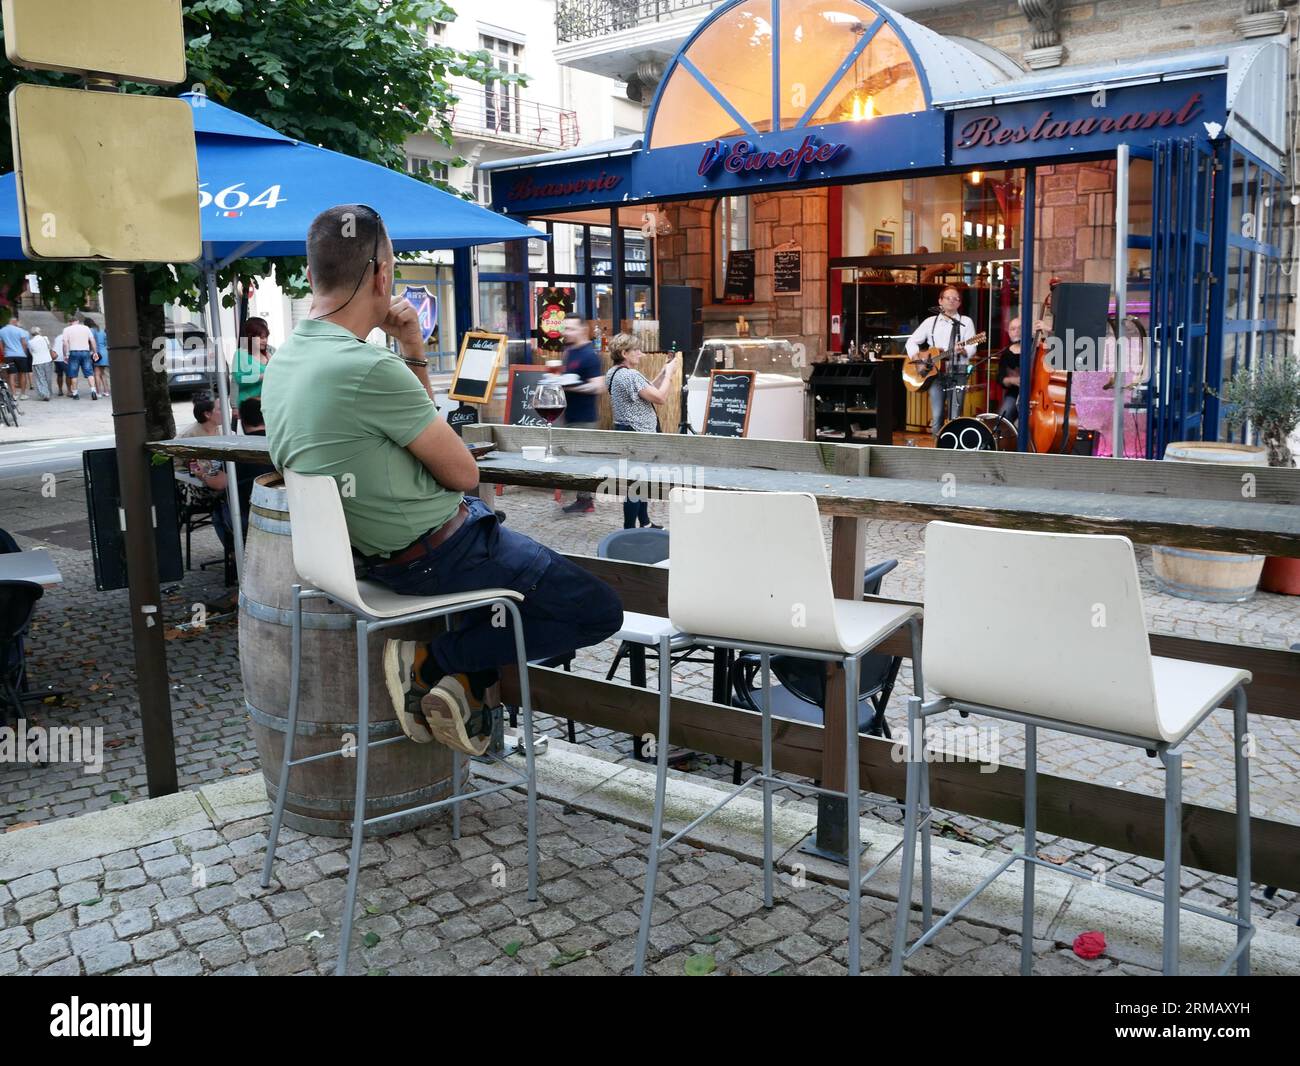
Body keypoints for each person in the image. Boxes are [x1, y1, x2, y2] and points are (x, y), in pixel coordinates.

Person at [262, 204, 621, 753]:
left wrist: (408, 349)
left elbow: (409, 436)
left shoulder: (285, 360)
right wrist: (408, 351)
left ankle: (462, 687)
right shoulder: (367, 368)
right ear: (383, 275)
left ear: (312, 276)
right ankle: (438, 662)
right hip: (438, 559)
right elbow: (461, 470)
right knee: (598, 608)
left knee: (500, 599)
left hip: (362, 563)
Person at [606, 334, 678, 529]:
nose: (641, 354)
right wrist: (670, 374)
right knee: (636, 484)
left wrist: (663, 372)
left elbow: (647, 391)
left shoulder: (613, 373)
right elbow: (660, 397)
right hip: (638, 434)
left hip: (627, 431)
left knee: (640, 480)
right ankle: (629, 529)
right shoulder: (630, 375)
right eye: (636, 350)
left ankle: (644, 522)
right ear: (624, 353)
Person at [905, 285, 977, 437]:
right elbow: (910, 342)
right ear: (940, 301)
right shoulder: (930, 322)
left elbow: (972, 346)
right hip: (935, 374)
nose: (951, 301)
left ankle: (953, 446)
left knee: (955, 414)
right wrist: (918, 360)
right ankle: (937, 449)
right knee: (937, 415)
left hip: (958, 371)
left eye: (955, 299)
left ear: (959, 303)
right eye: (948, 298)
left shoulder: (965, 322)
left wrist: (963, 350)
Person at [558, 314, 603, 515]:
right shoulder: (569, 352)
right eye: (565, 328)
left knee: (582, 460)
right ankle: (582, 499)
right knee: (571, 459)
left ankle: (586, 501)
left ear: (583, 330)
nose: (566, 332)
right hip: (570, 415)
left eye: (571, 329)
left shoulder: (590, 355)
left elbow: (598, 387)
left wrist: (573, 386)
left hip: (585, 417)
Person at [231, 316, 273, 427]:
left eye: (266, 337)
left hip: (269, 404)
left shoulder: (271, 351)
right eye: (261, 337)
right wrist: (261, 376)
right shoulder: (241, 354)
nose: (265, 340)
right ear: (250, 337)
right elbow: (238, 379)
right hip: (250, 405)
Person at [61, 313, 99, 400]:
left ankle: (75, 394)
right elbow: (92, 340)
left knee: (74, 375)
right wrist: (95, 352)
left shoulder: (66, 329)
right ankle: (93, 391)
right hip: (85, 352)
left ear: (70, 322)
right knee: (89, 373)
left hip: (73, 353)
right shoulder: (86, 328)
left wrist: (65, 355)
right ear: (78, 321)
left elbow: (65, 343)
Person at [997, 317, 1023, 425]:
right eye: (1013, 329)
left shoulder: (1035, 347)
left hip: (1037, 392)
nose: (1016, 331)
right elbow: (1000, 378)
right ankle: (1008, 441)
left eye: (1020, 328)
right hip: (1014, 393)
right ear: (1009, 332)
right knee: (1003, 415)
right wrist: (1012, 380)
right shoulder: (1006, 353)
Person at [0, 314, 31, 400]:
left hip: (9, 355)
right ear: (15, 322)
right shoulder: (20, 330)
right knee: (22, 374)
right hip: (21, 355)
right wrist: (24, 352)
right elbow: (24, 343)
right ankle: (23, 394)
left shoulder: (2, 331)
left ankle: (14, 394)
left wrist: (4, 353)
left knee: (11, 374)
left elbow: (1, 345)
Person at [27, 327, 53, 401]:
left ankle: (45, 394)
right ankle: (49, 392)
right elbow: (49, 348)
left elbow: (31, 352)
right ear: (39, 332)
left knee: (40, 378)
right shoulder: (45, 338)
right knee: (48, 377)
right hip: (47, 360)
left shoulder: (30, 342)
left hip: (37, 361)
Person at [90, 317, 110, 397]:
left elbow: (91, 343)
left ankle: (98, 392)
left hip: (97, 354)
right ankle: (106, 391)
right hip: (105, 353)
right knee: (103, 373)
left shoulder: (91, 331)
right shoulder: (102, 331)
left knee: (97, 373)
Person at [51, 327, 68, 396]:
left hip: (57, 358)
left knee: (59, 375)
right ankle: (69, 390)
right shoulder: (68, 336)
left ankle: (60, 390)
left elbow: (54, 347)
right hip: (65, 358)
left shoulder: (58, 337)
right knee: (68, 375)